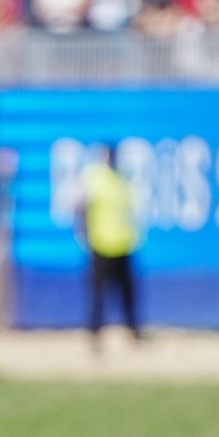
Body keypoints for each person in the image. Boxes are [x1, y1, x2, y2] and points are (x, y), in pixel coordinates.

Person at [75, 144, 141, 350]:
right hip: (101, 244)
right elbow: (82, 208)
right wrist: (85, 236)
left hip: (123, 244)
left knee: (127, 293)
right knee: (98, 295)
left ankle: (133, 331)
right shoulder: (95, 178)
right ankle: (95, 334)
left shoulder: (123, 179)